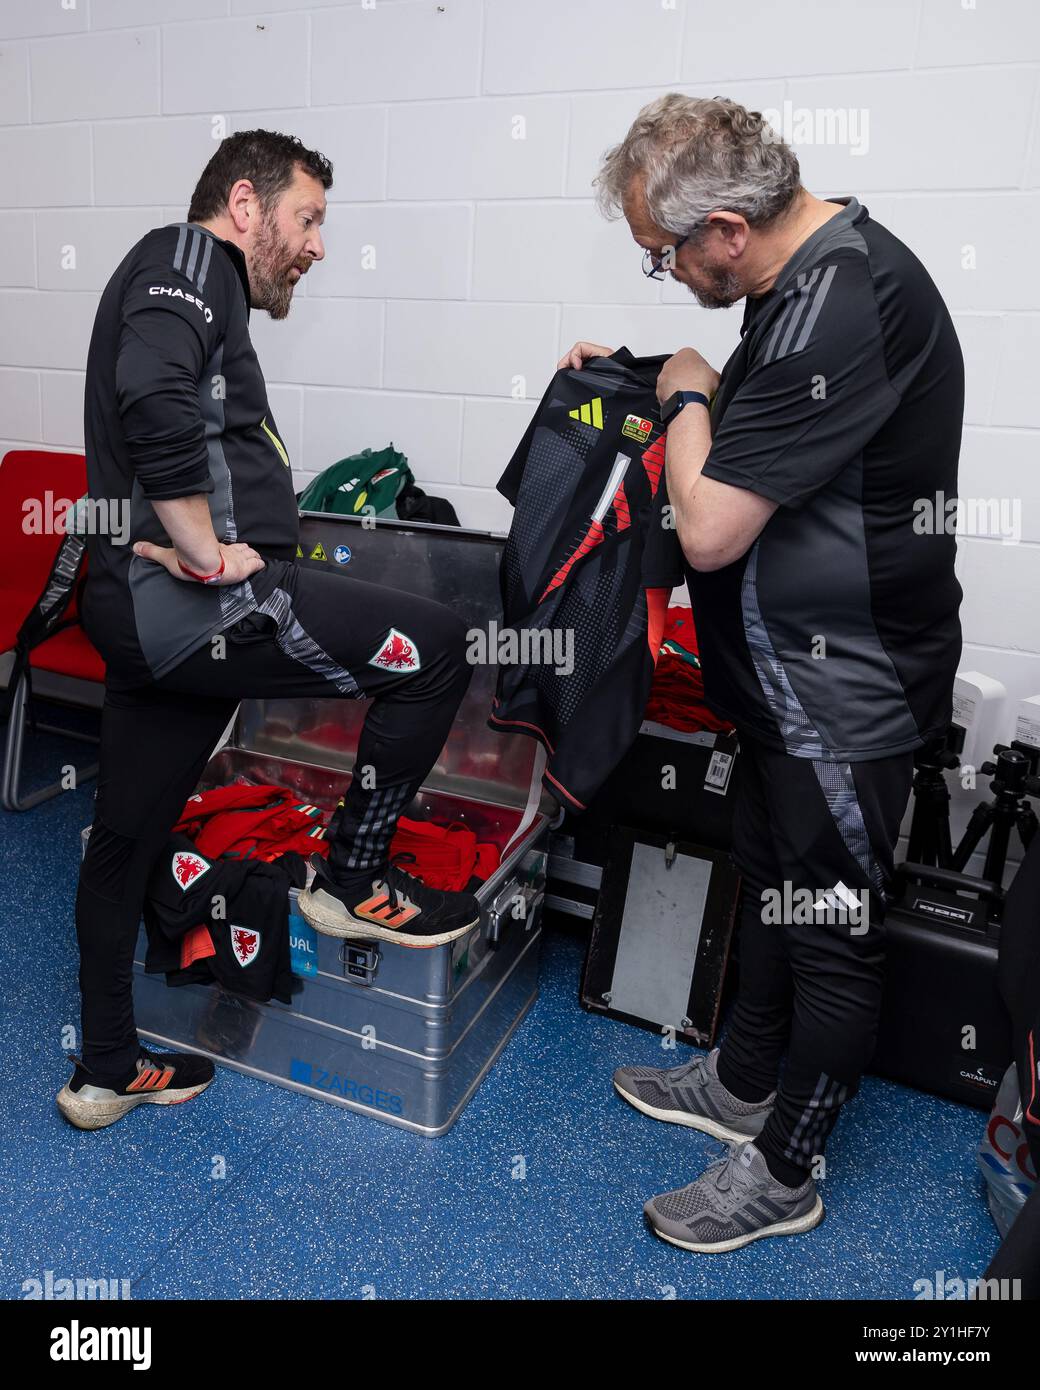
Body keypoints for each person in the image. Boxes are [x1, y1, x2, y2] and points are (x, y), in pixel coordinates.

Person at [563, 94, 963, 1251]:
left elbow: (710, 528)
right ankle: (741, 1082)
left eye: (665, 257)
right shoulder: (799, 284)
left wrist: (684, 385)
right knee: (767, 872)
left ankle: (786, 1168)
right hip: (783, 679)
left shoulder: (845, 301)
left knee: (831, 925)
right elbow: (754, 428)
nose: (668, 275)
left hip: (846, 690)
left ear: (725, 231)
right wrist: (650, 372)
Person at [58, 131, 479, 1133]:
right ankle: (351, 877)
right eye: (309, 219)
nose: (317, 246)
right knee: (434, 651)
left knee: (123, 838)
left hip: (146, 616)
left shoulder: (185, 279)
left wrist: (167, 538)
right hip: (200, 606)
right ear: (244, 204)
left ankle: (104, 1069)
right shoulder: (185, 263)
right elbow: (153, 403)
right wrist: (206, 553)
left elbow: (148, 441)